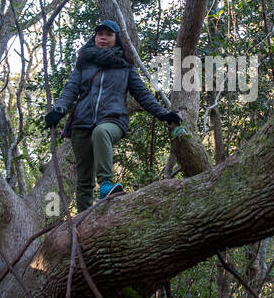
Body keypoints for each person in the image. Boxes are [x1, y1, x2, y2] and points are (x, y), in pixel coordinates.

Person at [43, 19, 182, 211]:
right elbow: (71, 89)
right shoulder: (84, 63)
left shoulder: (125, 67)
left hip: (112, 120)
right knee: (84, 179)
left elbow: (142, 93)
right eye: (100, 34)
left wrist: (163, 114)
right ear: (95, 37)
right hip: (81, 123)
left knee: (101, 132)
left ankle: (106, 185)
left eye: (109, 34)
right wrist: (58, 111)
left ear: (116, 39)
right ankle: (84, 223)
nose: (103, 38)